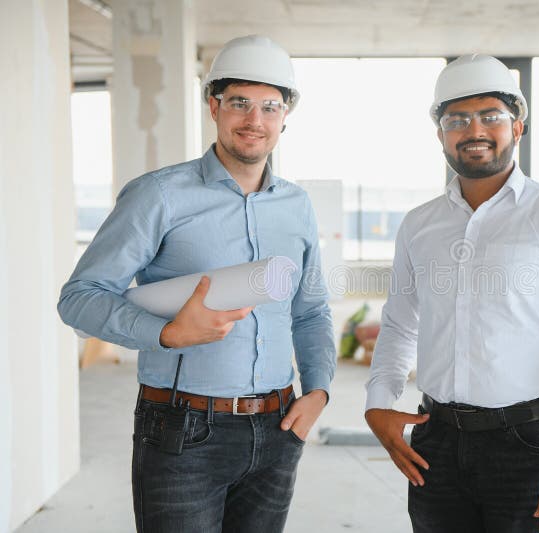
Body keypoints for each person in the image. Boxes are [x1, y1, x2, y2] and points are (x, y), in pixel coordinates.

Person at [58, 35, 335, 533]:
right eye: (240, 103)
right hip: (183, 430)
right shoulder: (158, 195)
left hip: (278, 426)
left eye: (270, 106)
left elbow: (310, 310)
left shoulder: (297, 206)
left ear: (285, 116)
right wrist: (165, 334)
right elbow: (79, 299)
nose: (255, 120)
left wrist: (319, 390)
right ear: (214, 106)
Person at [365, 54, 539, 533]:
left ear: (518, 127)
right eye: (457, 119)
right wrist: (378, 401)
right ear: (441, 133)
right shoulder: (420, 225)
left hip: (530, 445)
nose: (474, 129)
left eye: (491, 116)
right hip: (436, 443)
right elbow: (401, 321)